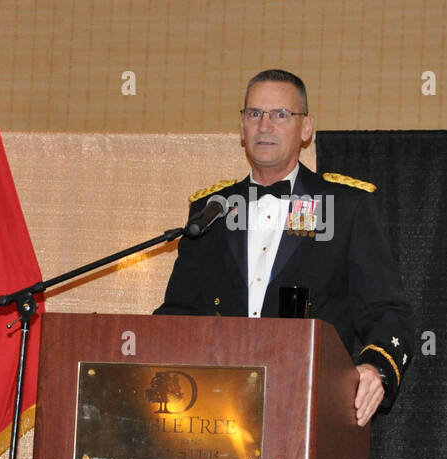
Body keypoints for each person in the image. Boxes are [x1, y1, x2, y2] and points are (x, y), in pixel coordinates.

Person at [155, 69, 414, 425]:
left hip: (309, 406)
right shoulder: (211, 210)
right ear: (242, 128)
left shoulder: (343, 206)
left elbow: (387, 309)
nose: (265, 126)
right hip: (213, 413)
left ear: (305, 128)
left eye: (280, 115)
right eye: (254, 114)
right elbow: (178, 312)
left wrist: (374, 367)